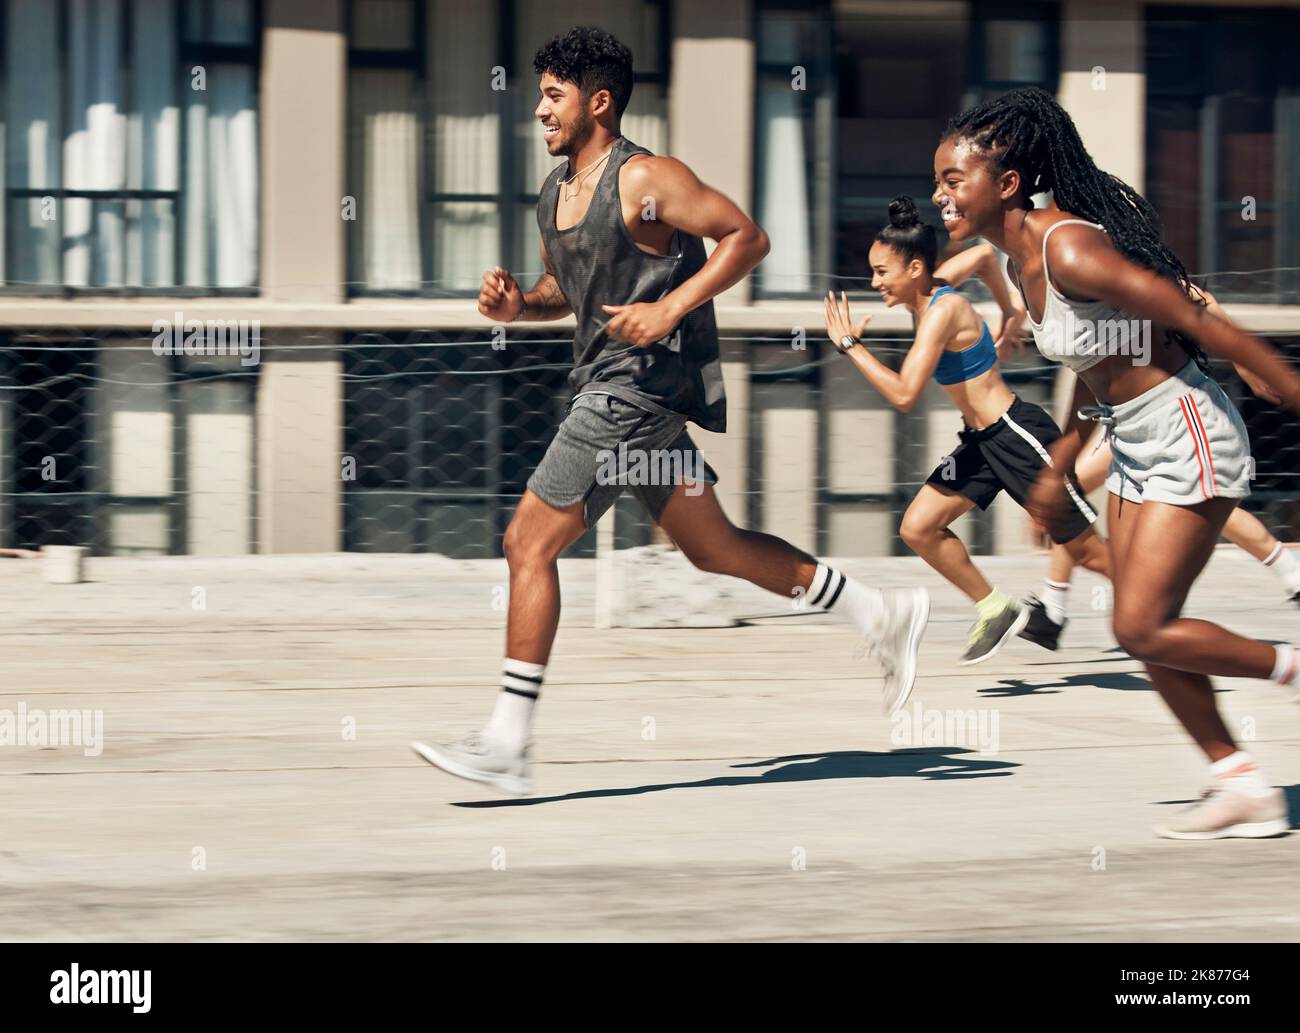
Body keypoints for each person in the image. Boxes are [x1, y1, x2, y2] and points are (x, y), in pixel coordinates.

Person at [411, 27, 929, 795]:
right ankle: (875, 611)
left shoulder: (647, 178)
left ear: (599, 100)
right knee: (713, 547)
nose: (540, 109)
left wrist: (670, 309)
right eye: (539, 94)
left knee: (527, 542)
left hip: (633, 389)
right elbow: (566, 296)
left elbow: (745, 237)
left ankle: (508, 743)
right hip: (615, 385)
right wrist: (519, 304)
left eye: (554, 95)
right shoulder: (554, 193)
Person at [934, 86, 1300, 838]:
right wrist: (1061, 458)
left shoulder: (1066, 244)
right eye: (938, 179)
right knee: (1142, 628)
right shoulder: (1020, 259)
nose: (939, 194)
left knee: (1142, 625)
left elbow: (1185, 311)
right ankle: (1240, 783)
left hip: (1185, 426)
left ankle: (1288, 667)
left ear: (1005, 184)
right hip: (1132, 437)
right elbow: (1096, 358)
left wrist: (1283, 381)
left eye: (952, 179)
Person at [824, 197, 1108, 665]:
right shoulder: (934, 286)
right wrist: (1009, 312)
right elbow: (981, 257)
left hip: (1018, 435)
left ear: (914, 268)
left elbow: (903, 395)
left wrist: (851, 347)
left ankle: (1157, 612)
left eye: (881, 272)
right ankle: (995, 608)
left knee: (1089, 554)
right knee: (919, 527)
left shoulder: (942, 310)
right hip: (980, 442)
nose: (874, 283)